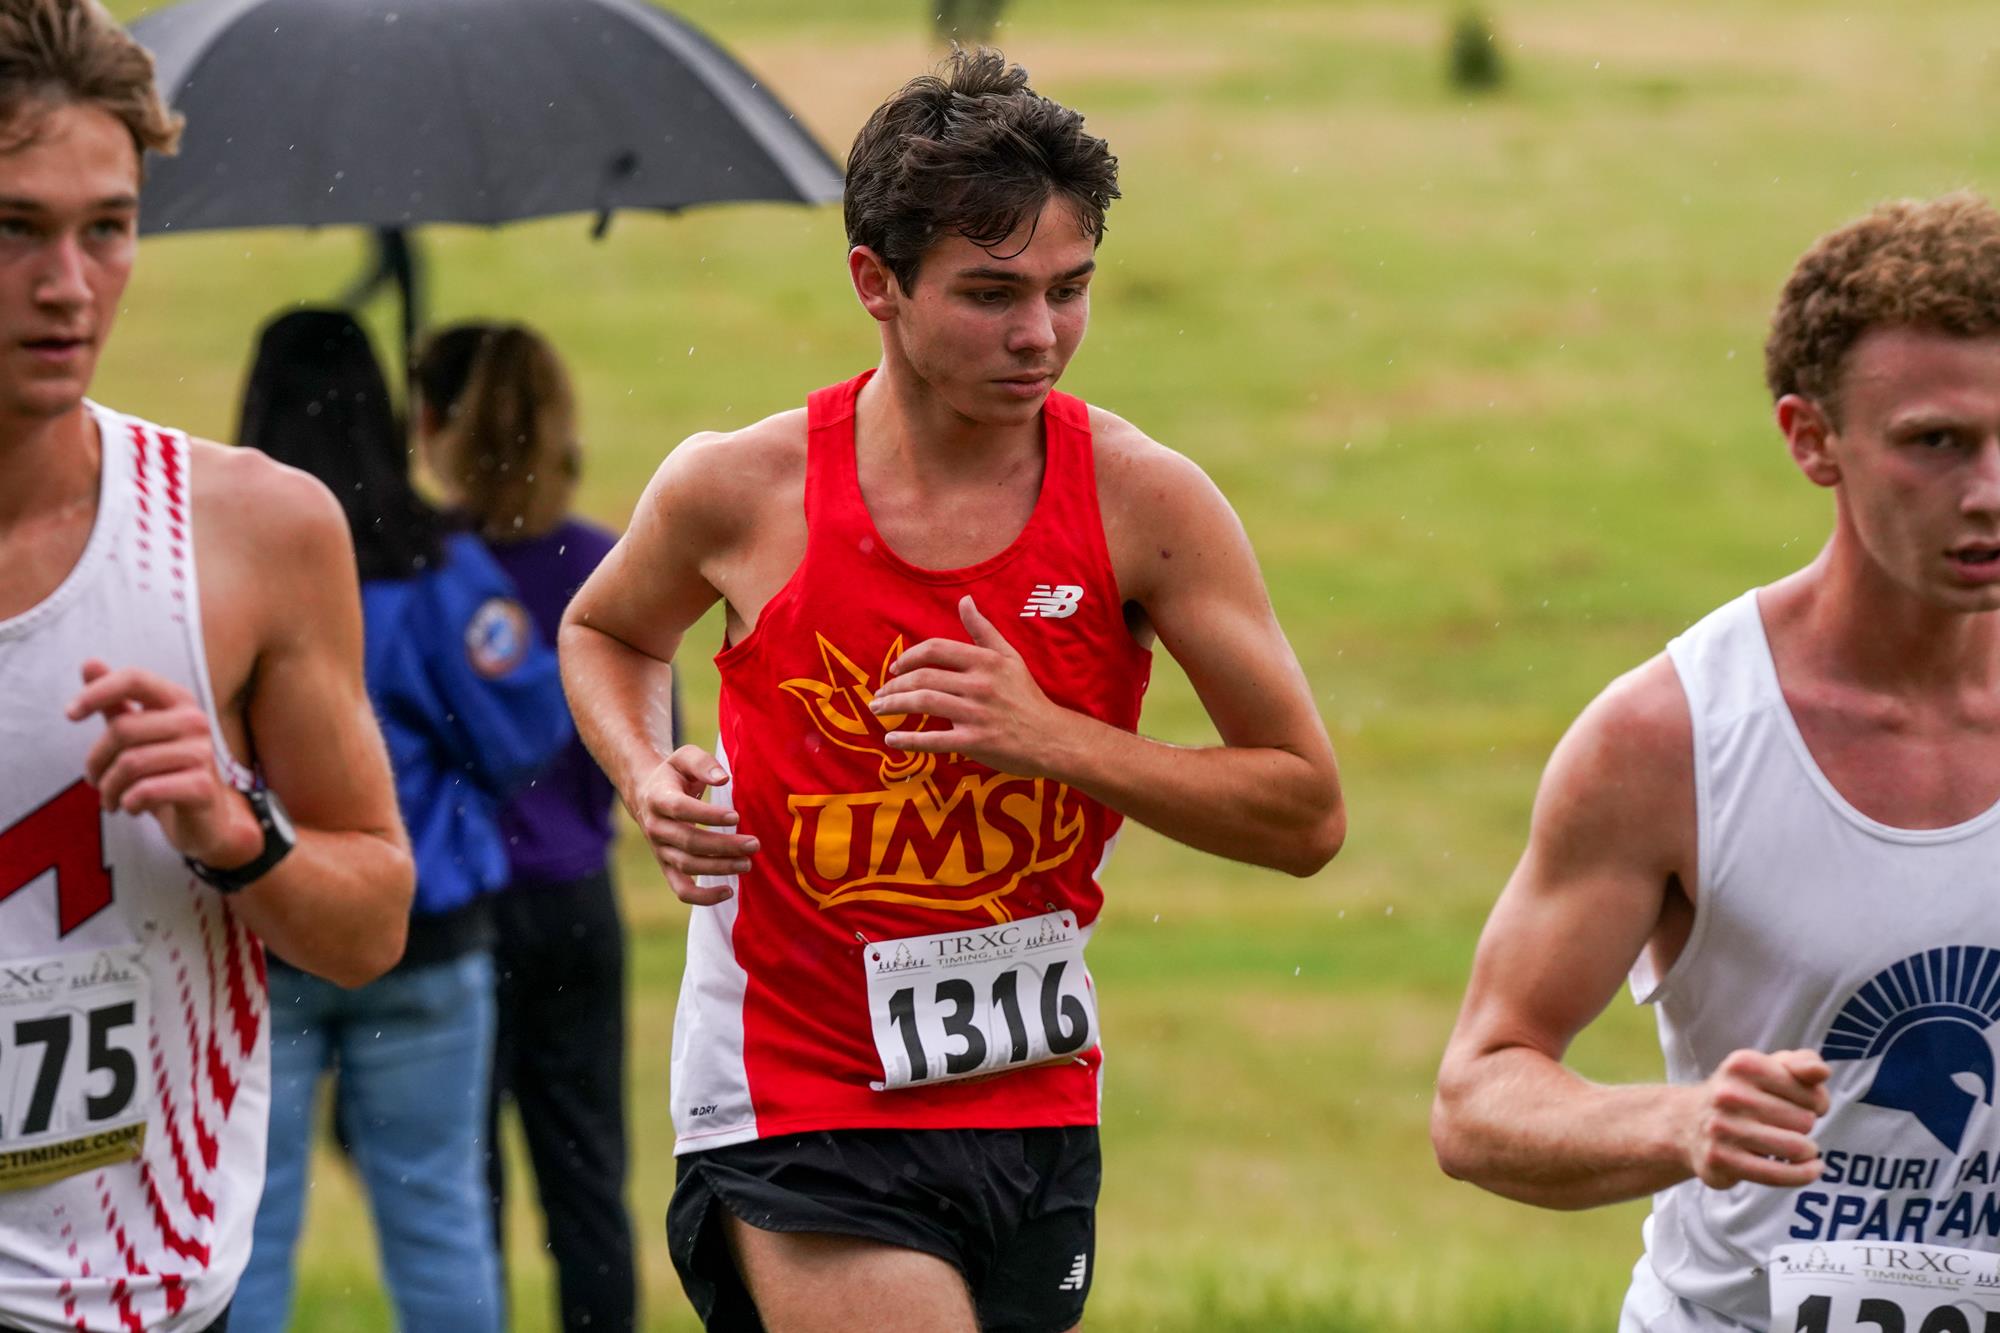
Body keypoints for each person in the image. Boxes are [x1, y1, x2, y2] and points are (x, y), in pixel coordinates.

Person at [560, 47, 1346, 1333]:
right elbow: (606, 630)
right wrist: (647, 775)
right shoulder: (738, 489)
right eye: (990, 294)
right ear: (875, 282)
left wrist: (1052, 737)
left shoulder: (1145, 504)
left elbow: (1304, 812)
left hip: (1031, 1095)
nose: (1040, 335)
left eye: (1068, 289)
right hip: (796, 1096)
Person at [1432, 193, 2000, 1332]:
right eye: (1934, 443)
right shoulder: (1671, 736)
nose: (1988, 489)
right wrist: (1677, 1121)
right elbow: (1479, 1094)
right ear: (1811, 439)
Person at [0, 4, 415, 1331]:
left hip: (147, 1293)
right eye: (14, 227)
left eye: (106, 227)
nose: (68, 284)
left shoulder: (253, 532)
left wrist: (240, 836)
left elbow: (370, 926)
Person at [228, 310, 569, 1333]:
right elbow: (525, 730)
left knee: (247, 1224)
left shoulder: (224, 570)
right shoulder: (440, 573)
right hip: (426, 932)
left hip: (269, 926)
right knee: (440, 1218)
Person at [412, 320, 638, 1333]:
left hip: (463, 908)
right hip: (576, 900)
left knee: (467, 1192)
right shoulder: (604, 563)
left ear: (434, 423)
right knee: (588, 1185)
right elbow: (640, 745)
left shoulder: (431, 573)